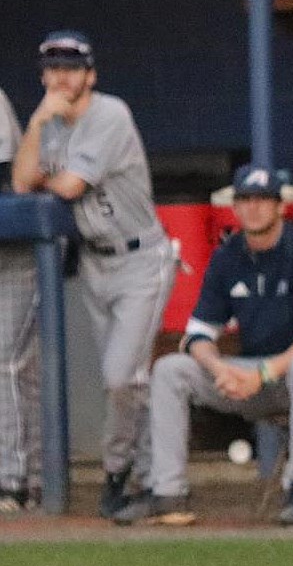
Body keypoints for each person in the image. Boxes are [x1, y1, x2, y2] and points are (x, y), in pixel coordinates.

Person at [116, 165, 293, 526]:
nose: (253, 208)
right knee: (171, 369)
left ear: (279, 206)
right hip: (247, 371)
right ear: (235, 208)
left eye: (263, 200)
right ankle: (168, 494)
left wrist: (265, 373)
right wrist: (219, 368)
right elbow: (199, 335)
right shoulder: (228, 256)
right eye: (245, 200)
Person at [10, 31, 175, 520]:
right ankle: (147, 480)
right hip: (96, 260)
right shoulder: (51, 124)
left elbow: (68, 184)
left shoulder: (110, 114)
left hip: (141, 257)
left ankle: (117, 469)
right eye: (53, 67)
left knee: (121, 376)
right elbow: (22, 182)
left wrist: (46, 168)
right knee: (127, 381)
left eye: (72, 66)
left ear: (90, 74)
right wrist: (39, 121)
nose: (62, 76)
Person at [0, 90, 40, 514]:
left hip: (15, 257)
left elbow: (8, 177)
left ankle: (12, 481)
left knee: (9, 365)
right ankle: (33, 477)